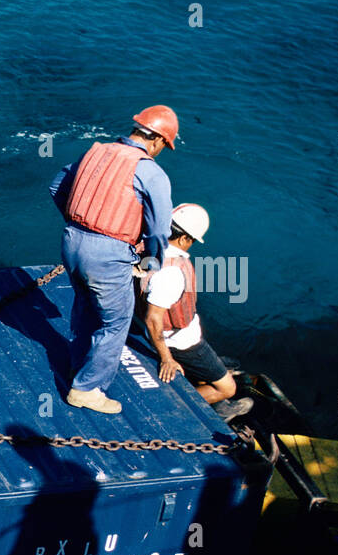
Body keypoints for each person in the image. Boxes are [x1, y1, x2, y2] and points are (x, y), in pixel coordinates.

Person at [50, 106, 178, 414]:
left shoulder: (95, 151)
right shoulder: (151, 172)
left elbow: (56, 186)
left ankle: (77, 368)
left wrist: (80, 223)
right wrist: (153, 262)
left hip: (71, 241)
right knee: (117, 320)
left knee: (85, 308)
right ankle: (87, 389)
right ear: (159, 140)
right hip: (107, 254)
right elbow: (160, 230)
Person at [139, 203, 253, 422]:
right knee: (228, 388)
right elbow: (154, 319)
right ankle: (172, 407)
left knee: (213, 369)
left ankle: (202, 375)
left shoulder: (152, 250)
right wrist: (167, 359)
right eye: (191, 240)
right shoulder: (171, 273)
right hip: (181, 343)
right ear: (184, 239)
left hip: (175, 337)